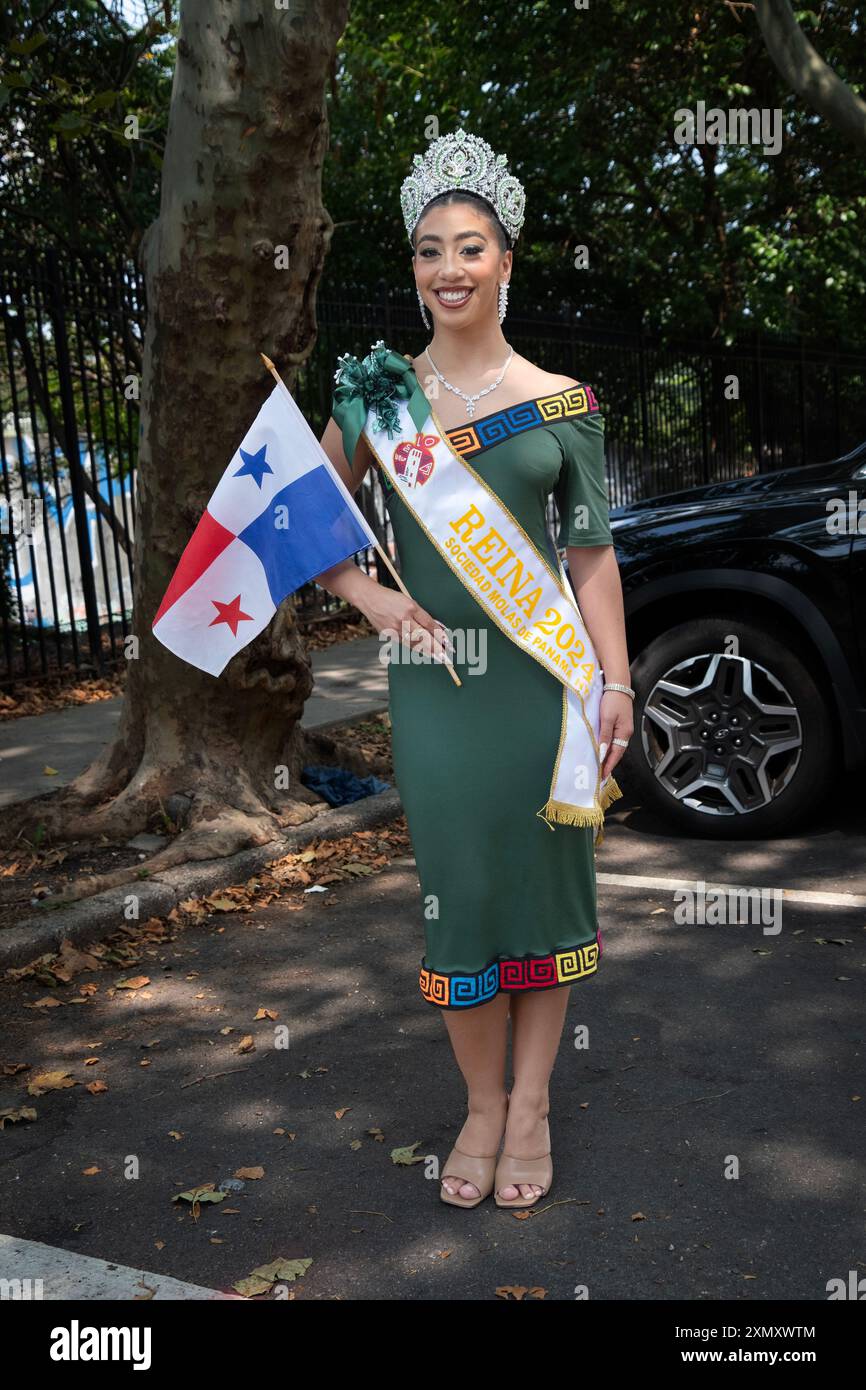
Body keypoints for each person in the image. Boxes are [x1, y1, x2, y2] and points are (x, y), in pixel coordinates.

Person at [314, 130, 633, 1210]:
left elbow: (588, 557)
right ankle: (480, 1105)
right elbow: (304, 522)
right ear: (413, 267)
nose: (446, 269)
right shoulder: (373, 399)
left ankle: (531, 1103)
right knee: (459, 898)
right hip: (437, 685)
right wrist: (369, 596)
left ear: (505, 260)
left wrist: (618, 684)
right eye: (426, 251)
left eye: (469, 247)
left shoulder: (562, 404)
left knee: (542, 892)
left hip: (545, 686)